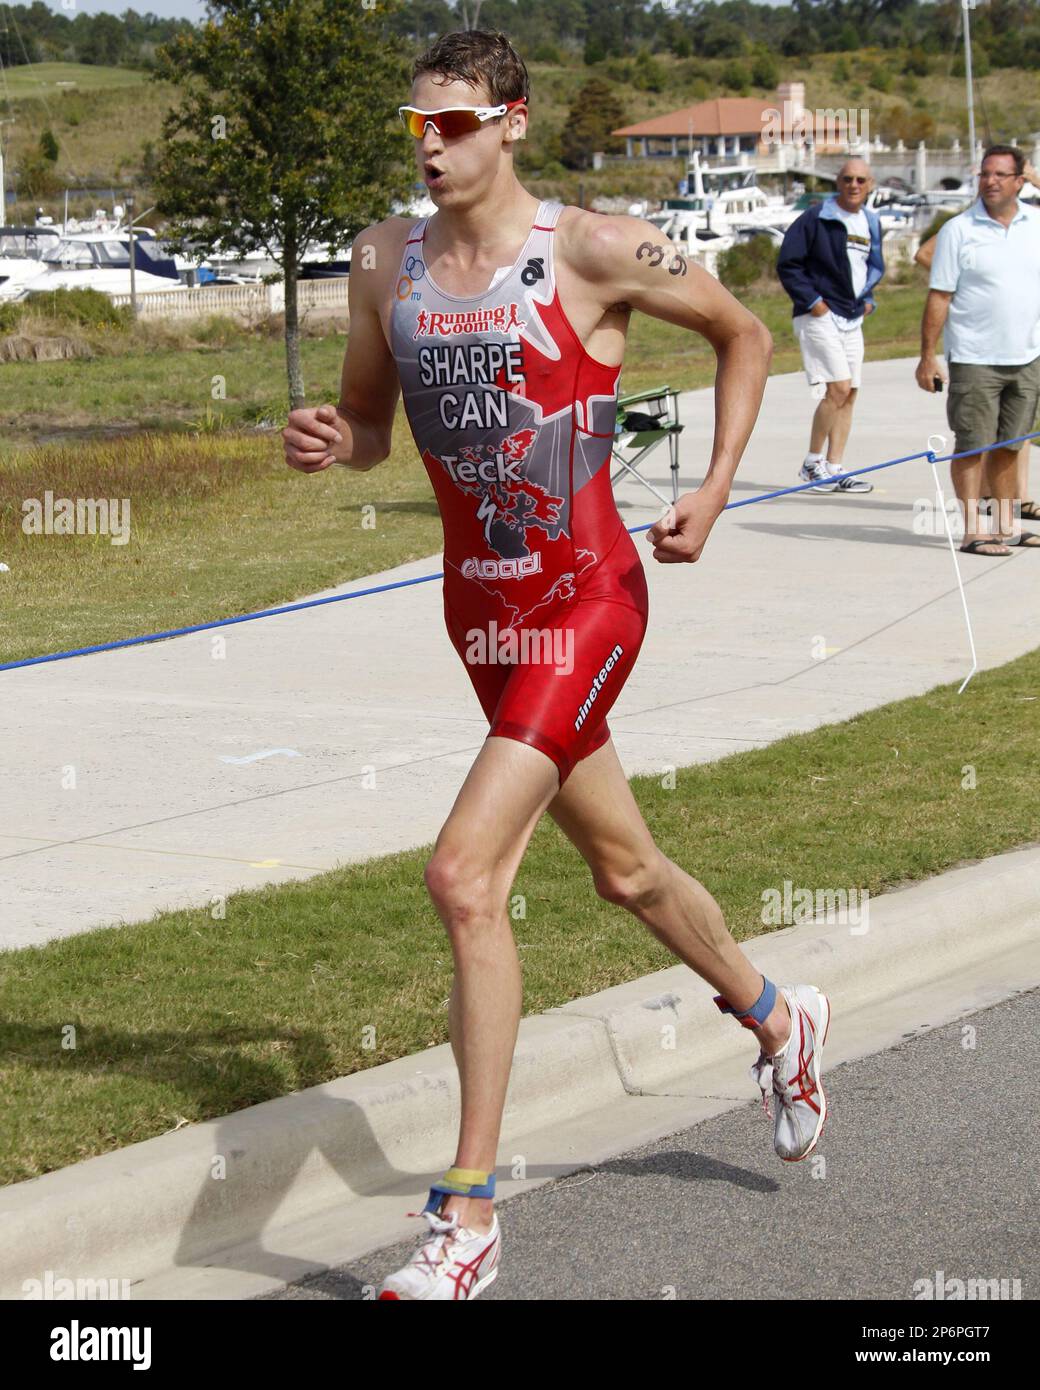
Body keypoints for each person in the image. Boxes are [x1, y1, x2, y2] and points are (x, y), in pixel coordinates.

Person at [282, 29, 831, 1302]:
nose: (431, 144)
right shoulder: (381, 262)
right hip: (479, 611)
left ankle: (465, 1218)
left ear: (512, 122)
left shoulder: (592, 248)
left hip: (588, 598)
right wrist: (332, 439)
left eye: (457, 122)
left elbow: (744, 334)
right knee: (625, 869)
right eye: (416, 124)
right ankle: (775, 1017)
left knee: (462, 875)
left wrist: (710, 492)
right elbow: (372, 427)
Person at [916, 144, 1040, 555]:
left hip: (1027, 356)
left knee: (1011, 445)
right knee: (972, 444)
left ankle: (1005, 525)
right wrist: (927, 356)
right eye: (985, 174)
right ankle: (974, 531)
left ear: (1021, 181)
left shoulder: (1035, 224)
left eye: (1002, 174)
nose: (990, 181)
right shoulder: (958, 230)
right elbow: (939, 298)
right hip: (974, 357)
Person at [777, 158, 885, 494]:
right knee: (836, 388)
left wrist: (868, 299)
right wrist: (814, 303)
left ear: (870, 185)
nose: (854, 185)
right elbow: (789, 264)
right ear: (837, 182)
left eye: (861, 180)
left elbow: (870, 265)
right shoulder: (817, 218)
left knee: (850, 391)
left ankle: (835, 467)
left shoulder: (870, 221)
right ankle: (812, 463)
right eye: (848, 179)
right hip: (818, 315)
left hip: (852, 315)